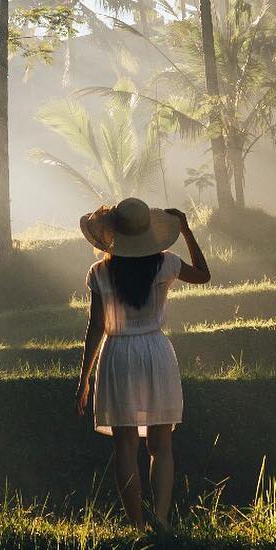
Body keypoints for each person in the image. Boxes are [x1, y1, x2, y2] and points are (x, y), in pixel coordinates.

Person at [76, 196, 211, 529]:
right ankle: (161, 519)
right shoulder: (165, 263)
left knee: (125, 447)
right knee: (161, 445)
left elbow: (95, 327)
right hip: (155, 352)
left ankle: (136, 525)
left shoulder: (99, 272)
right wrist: (188, 232)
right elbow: (204, 275)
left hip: (117, 354)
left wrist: (85, 378)